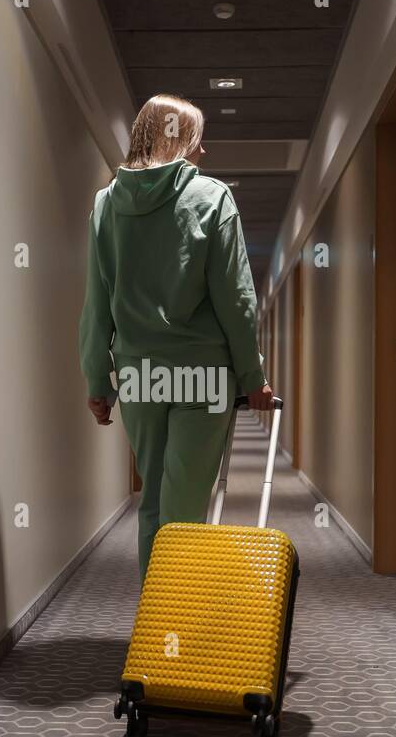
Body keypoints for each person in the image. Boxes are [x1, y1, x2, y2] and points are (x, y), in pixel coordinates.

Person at [78, 94, 274, 580]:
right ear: (179, 140)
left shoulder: (106, 204)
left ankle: (156, 620)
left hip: (139, 372)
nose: (203, 154)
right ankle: (174, 629)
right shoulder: (212, 198)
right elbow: (236, 298)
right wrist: (252, 376)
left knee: (155, 501)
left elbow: (98, 301)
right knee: (184, 504)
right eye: (198, 141)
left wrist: (97, 380)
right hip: (201, 373)